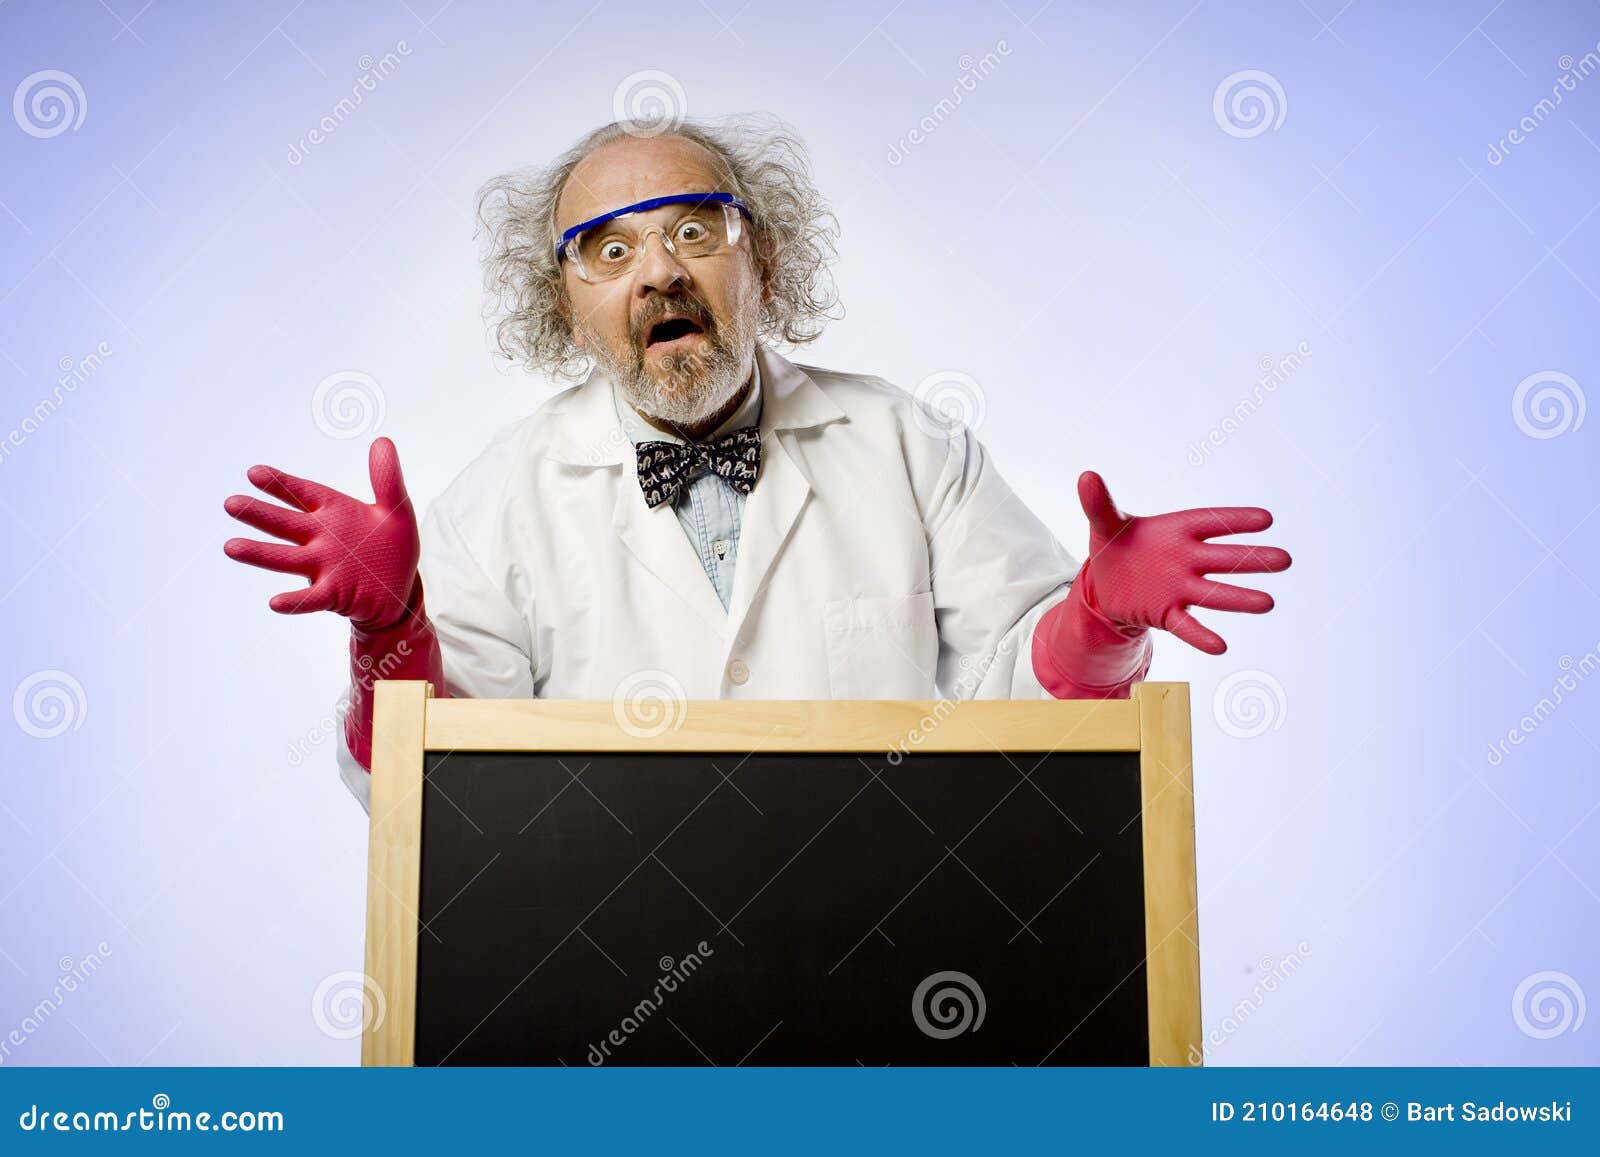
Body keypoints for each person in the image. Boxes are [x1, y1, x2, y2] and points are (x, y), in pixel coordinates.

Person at [223, 116, 1291, 811]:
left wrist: (1097, 623)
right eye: (608, 250)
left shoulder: (909, 446)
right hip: (600, 973)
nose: (656, 273)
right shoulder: (497, 501)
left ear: (762, 262)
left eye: (697, 231)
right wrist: (391, 636)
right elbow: (426, 798)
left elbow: (1028, 730)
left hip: (893, 946)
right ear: (564, 306)